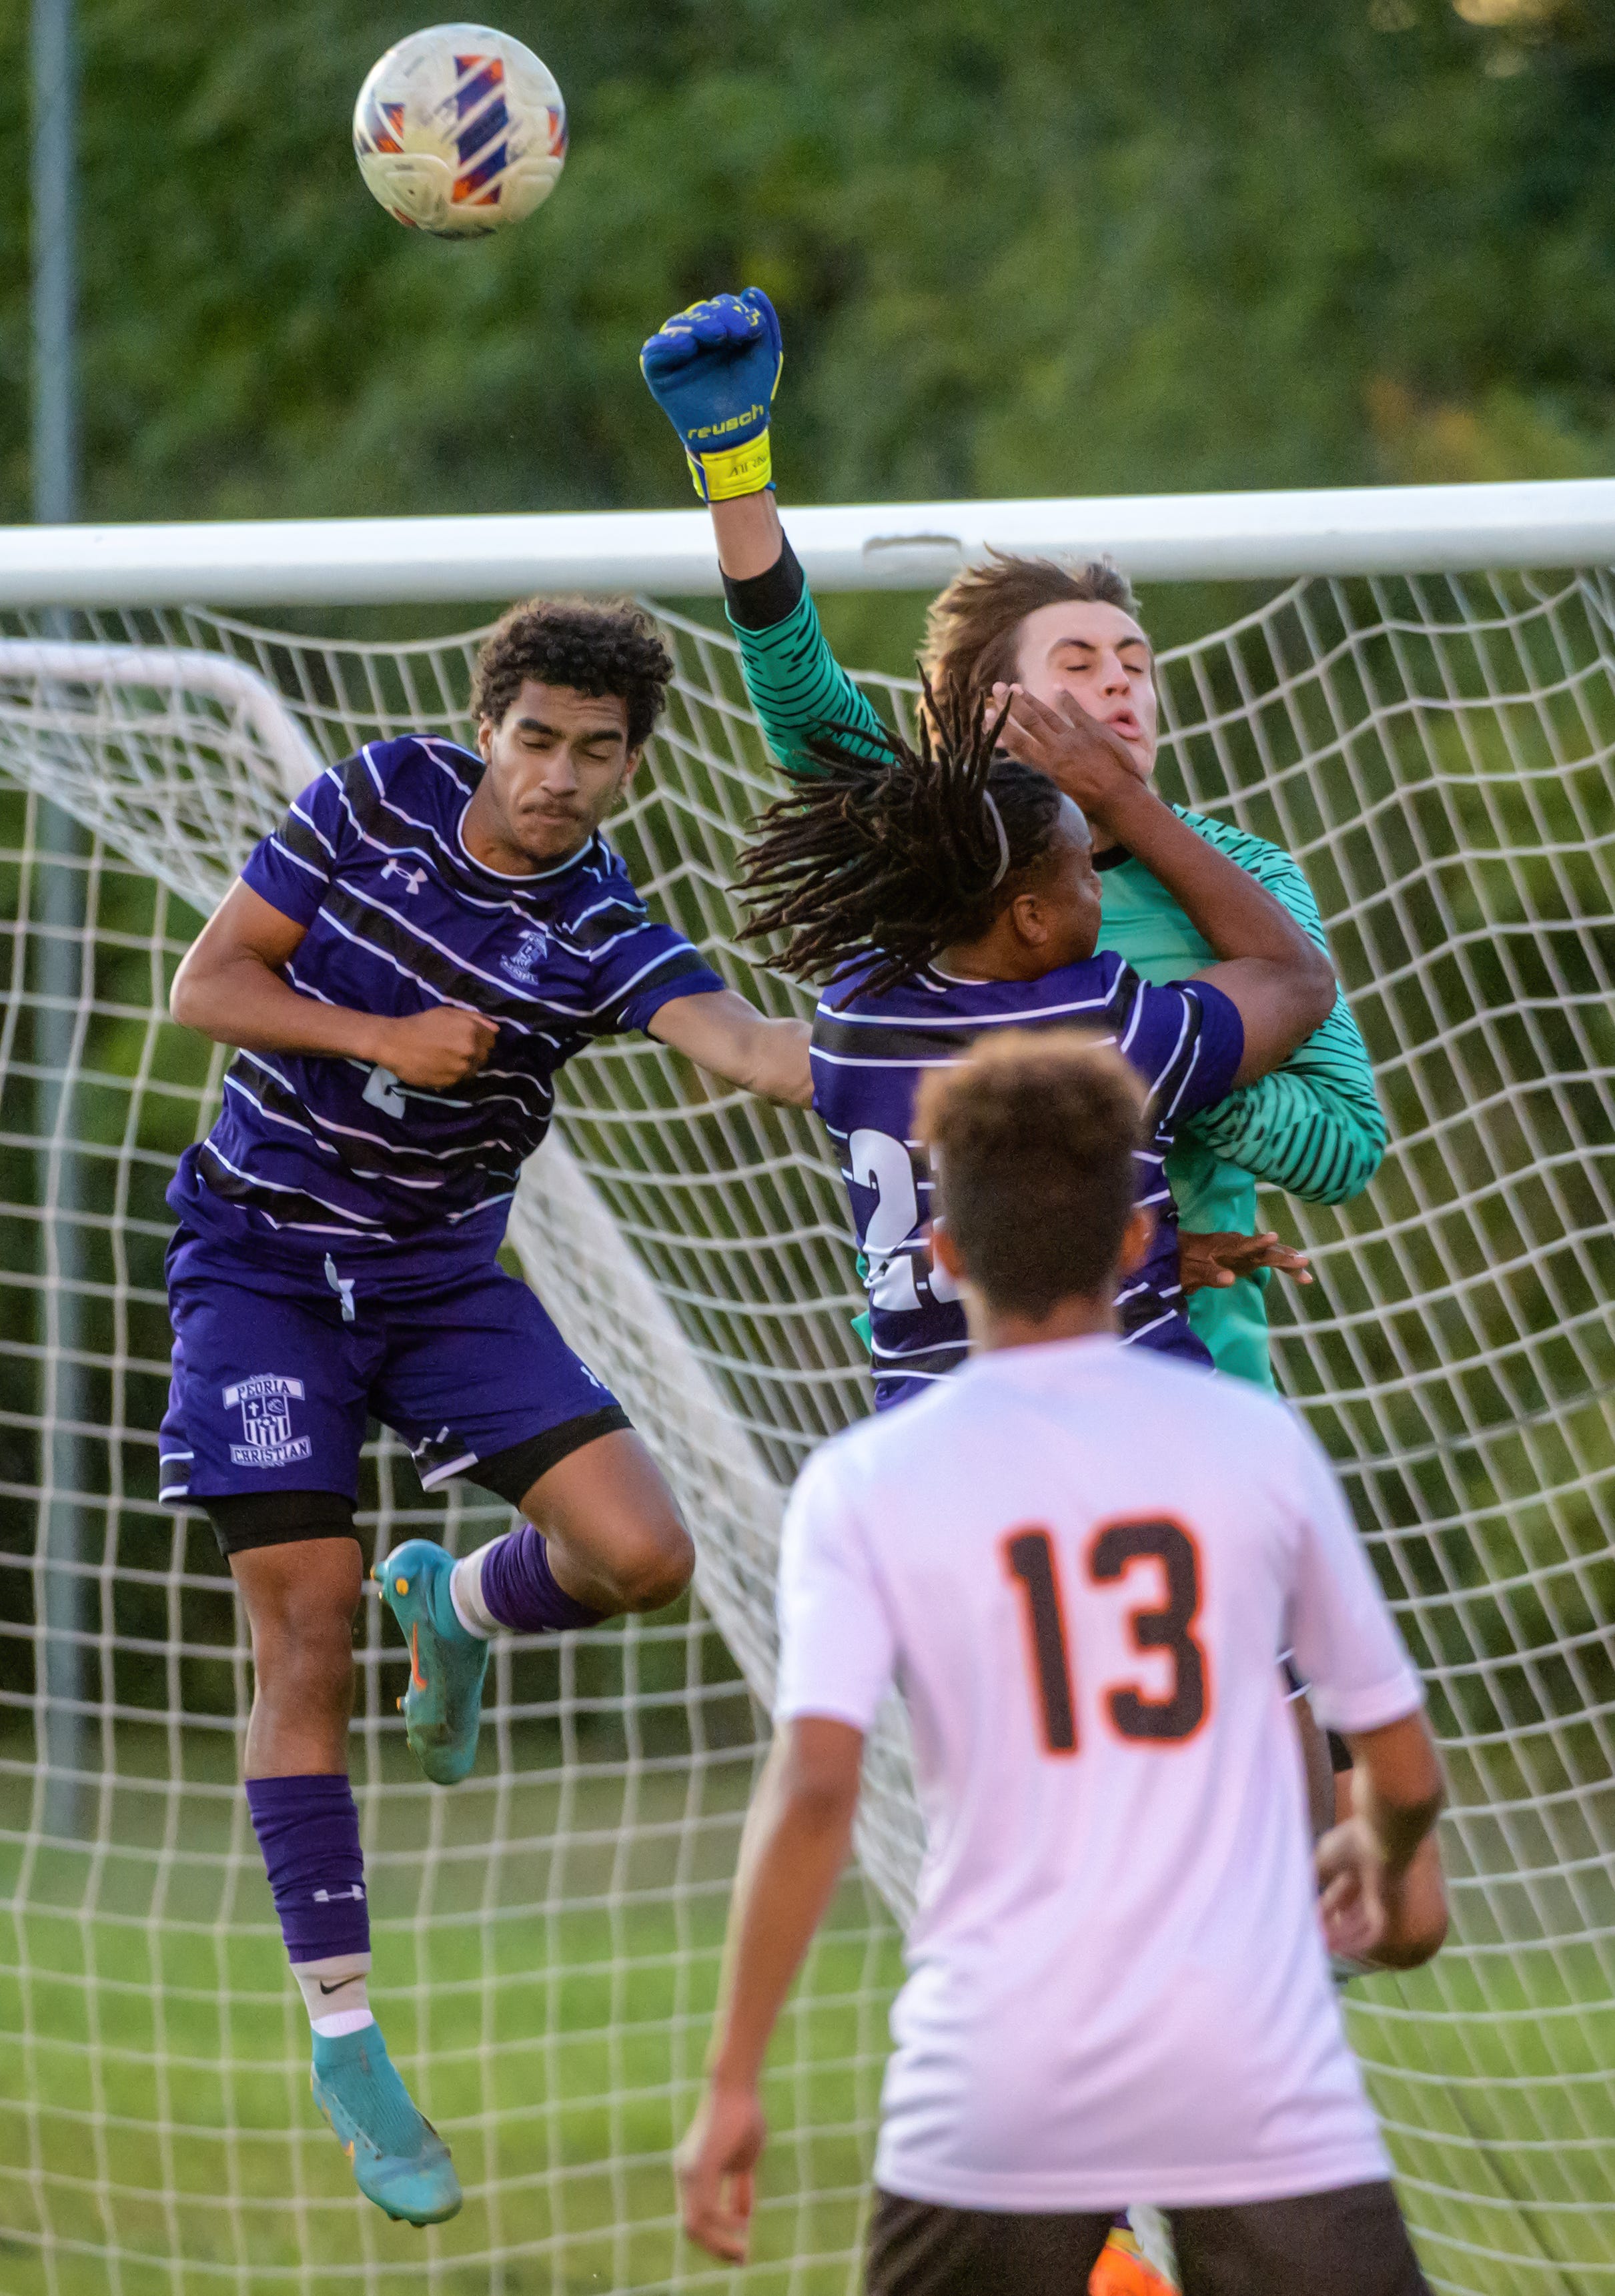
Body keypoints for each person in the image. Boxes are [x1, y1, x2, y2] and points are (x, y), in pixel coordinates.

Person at [160, 596, 813, 2226]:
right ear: (487, 729)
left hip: (444, 1286)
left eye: (599, 753)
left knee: (645, 1553)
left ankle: (449, 1601)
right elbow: (209, 985)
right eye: (538, 741)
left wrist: (919, 1045)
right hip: (260, 1266)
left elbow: (733, 1040)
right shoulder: (372, 795)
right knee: (302, 1639)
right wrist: (378, 1030)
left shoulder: (600, 921)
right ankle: (347, 2034)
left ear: (634, 767)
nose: (562, 778)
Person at [676, 1031, 1446, 2295]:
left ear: (945, 1252)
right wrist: (1384, 1847)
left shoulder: (866, 1483)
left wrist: (732, 2082)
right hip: (1245, 2045)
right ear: (1138, 1241)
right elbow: (1406, 1772)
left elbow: (815, 1791)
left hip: (997, 2057)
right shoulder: (1250, 1447)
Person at [639, 287, 1387, 1392]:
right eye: (1077, 666)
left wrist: (1120, 1066)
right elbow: (801, 696)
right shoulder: (923, 858)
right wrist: (736, 472)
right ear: (981, 714)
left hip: (1197, 1391)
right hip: (967, 1397)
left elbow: (1344, 1150)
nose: (1119, 688)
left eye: (1135, 665)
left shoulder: (1247, 879)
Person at [736, 677, 1337, 1401]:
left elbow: (986, 1221)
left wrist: (1147, 1256)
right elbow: (1298, 977)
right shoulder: (1100, 1029)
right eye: (1086, 876)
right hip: (1131, 1415)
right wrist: (1122, 798)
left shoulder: (851, 1017)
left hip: (936, 1446)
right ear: (1030, 918)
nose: (1101, 892)